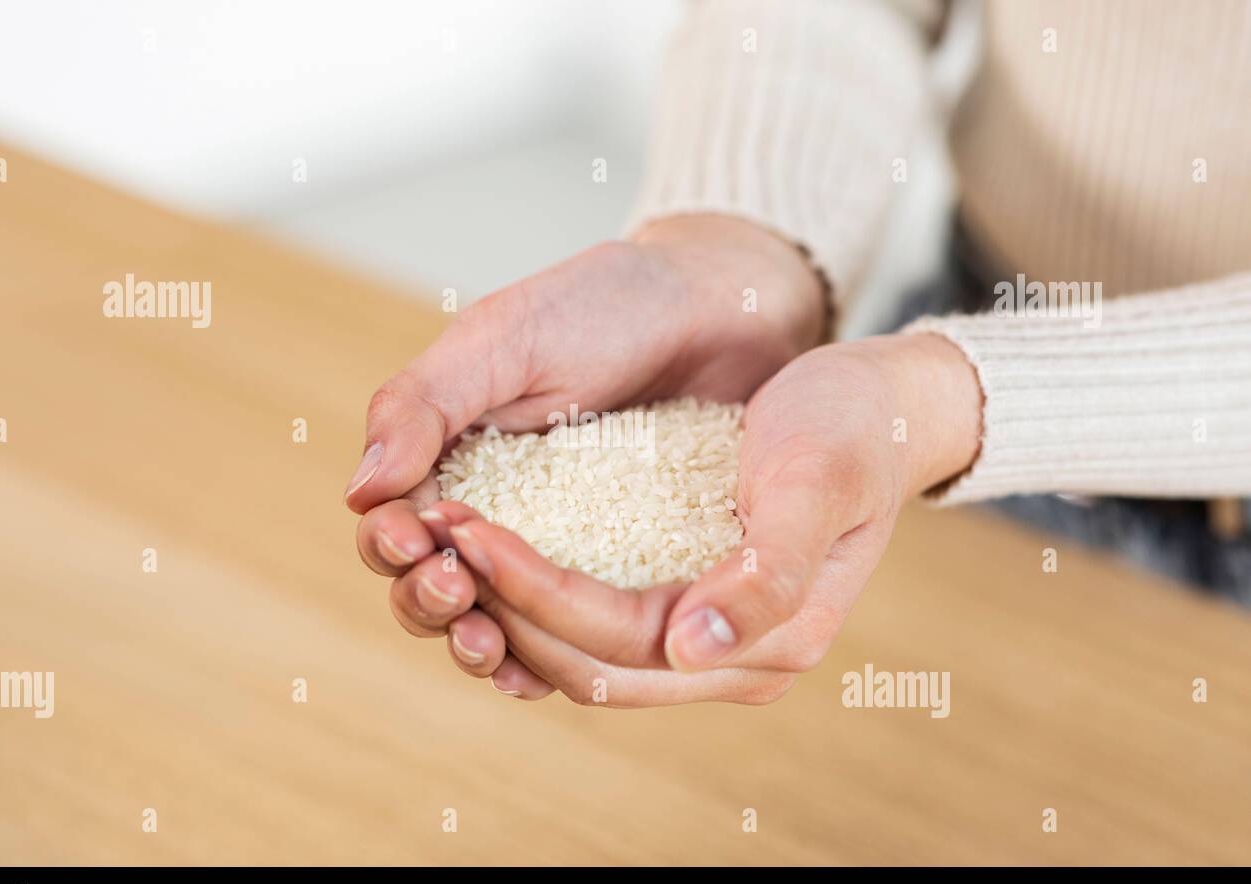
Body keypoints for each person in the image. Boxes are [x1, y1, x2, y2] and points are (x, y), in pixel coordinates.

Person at [344, 0, 1251, 706]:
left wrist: (950, 402)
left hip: (954, 406)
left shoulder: (921, 405)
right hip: (954, 398)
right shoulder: (878, 413)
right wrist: (736, 244)